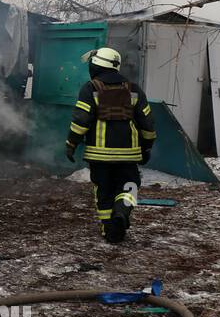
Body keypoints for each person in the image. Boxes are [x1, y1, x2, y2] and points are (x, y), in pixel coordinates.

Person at [64, 46, 156, 243]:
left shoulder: (90, 89)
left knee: (103, 191)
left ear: (96, 65)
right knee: (130, 185)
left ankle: (110, 230)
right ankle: (122, 211)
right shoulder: (134, 90)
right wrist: (147, 146)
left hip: (99, 156)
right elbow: (147, 124)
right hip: (128, 155)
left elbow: (81, 122)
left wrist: (71, 143)